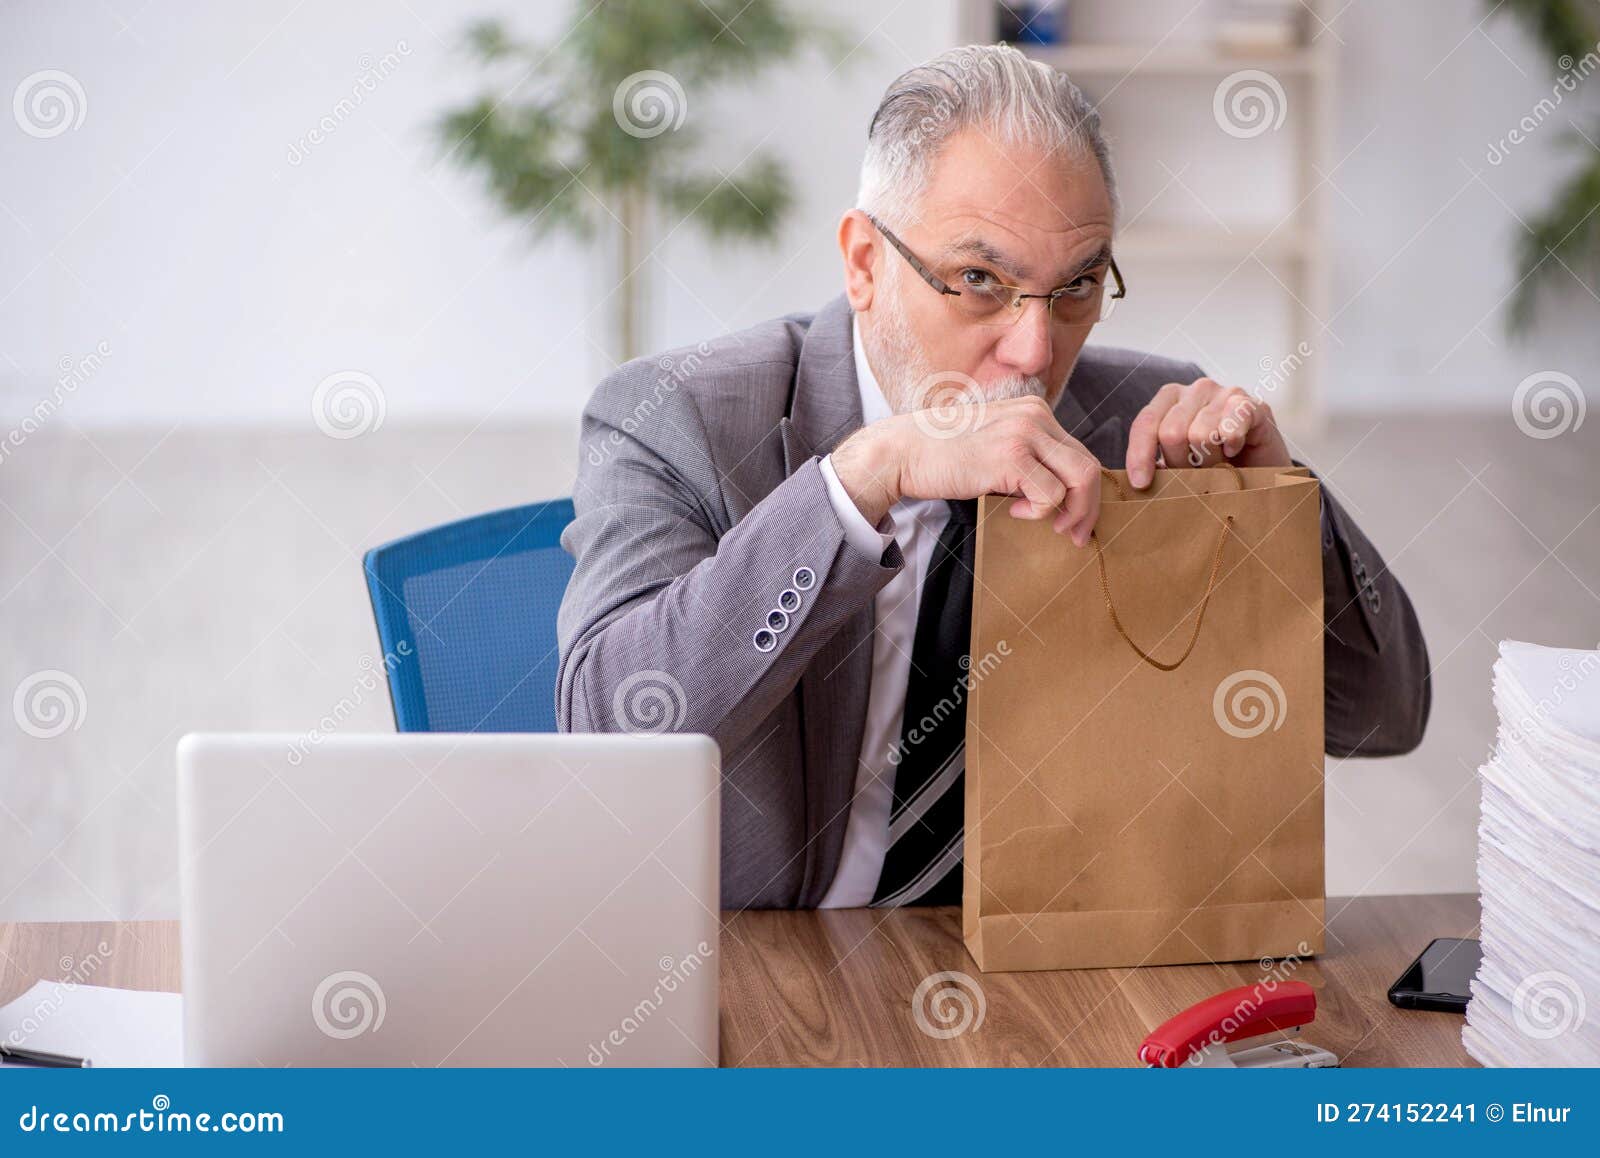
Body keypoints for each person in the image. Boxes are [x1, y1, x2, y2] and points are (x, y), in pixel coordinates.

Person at [557, 44, 1429, 910]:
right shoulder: (681, 416)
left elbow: (1384, 719)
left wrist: (1283, 515)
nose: (1035, 353)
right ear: (864, 263)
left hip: (1054, 964)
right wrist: (862, 479)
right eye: (979, 280)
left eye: (1078, 286)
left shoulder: (1140, 426)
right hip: (773, 963)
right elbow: (610, 733)